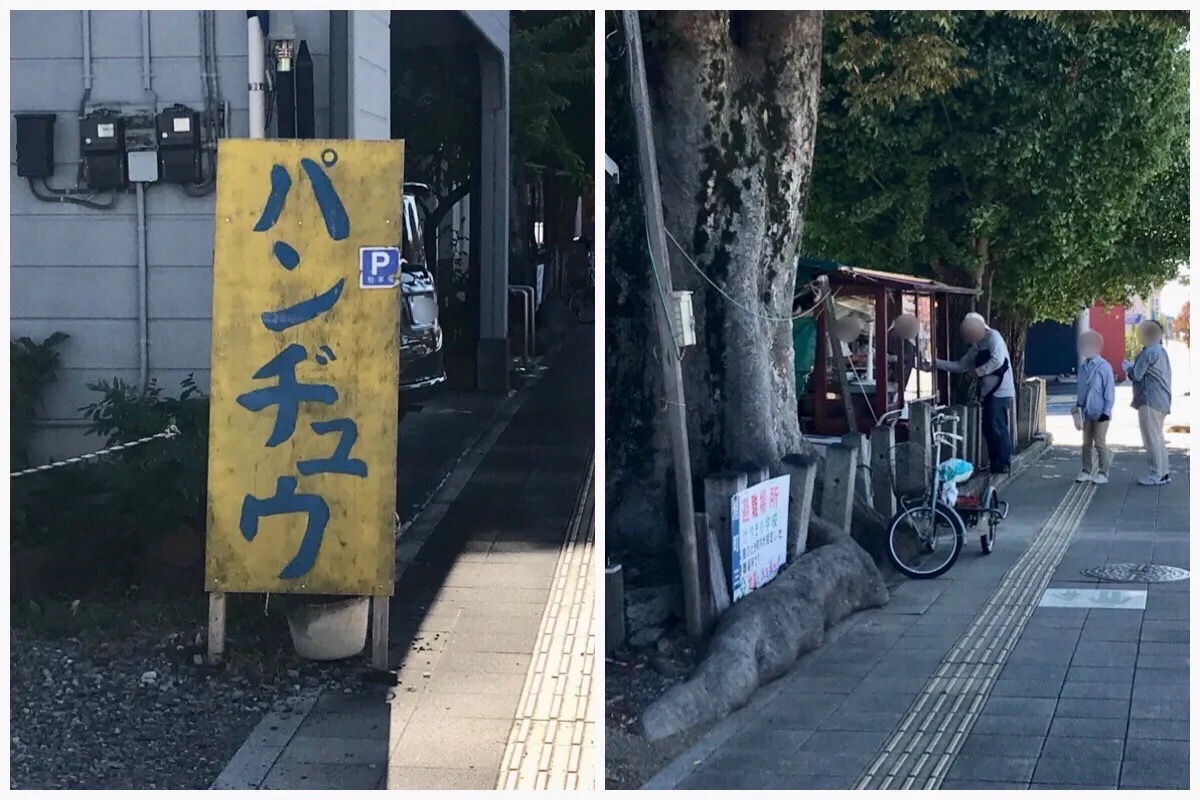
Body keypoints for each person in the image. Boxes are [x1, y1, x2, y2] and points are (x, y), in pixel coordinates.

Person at [930, 312, 1015, 473]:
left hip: (1001, 390)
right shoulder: (976, 347)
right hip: (987, 392)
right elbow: (961, 366)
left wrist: (978, 371)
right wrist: (936, 363)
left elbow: (997, 360)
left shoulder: (993, 337)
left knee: (997, 426)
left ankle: (1003, 462)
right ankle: (994, 462)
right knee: (988, 427)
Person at [1123, 319, 1172, 486]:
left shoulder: (1149, 352)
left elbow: (1136, 375)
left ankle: (1155, 474)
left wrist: (1128, 368)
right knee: (1158, 437)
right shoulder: (1161, 351)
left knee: (1150, 439)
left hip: (1149, 400)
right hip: (1162, 400)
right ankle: (1164, 473)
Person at [1073, 330, 1115, 484]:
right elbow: (1081, 389)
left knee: (1099, 442)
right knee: (1086, 443)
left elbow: (1109, 391)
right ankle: (1086, 470)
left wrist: (1106, 411)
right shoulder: (1083, 367)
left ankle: (1103, 472)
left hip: (1101, 412)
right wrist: (1078, 406)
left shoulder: (1104, 367)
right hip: (1086, 412)